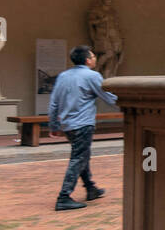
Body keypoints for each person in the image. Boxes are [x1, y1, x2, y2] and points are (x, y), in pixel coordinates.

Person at [48, 45, 118, 211]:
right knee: (79, 158)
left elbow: (53, 103)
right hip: (83, 124)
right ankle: (64, 197)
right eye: (93, 56)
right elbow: (107, 96)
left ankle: (90, 188)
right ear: (87, 60)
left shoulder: (63, 76)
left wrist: (54, 125)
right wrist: (129, 105)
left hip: (68, 125)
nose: (94, 59)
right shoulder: (92, 76)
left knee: (81, 155)